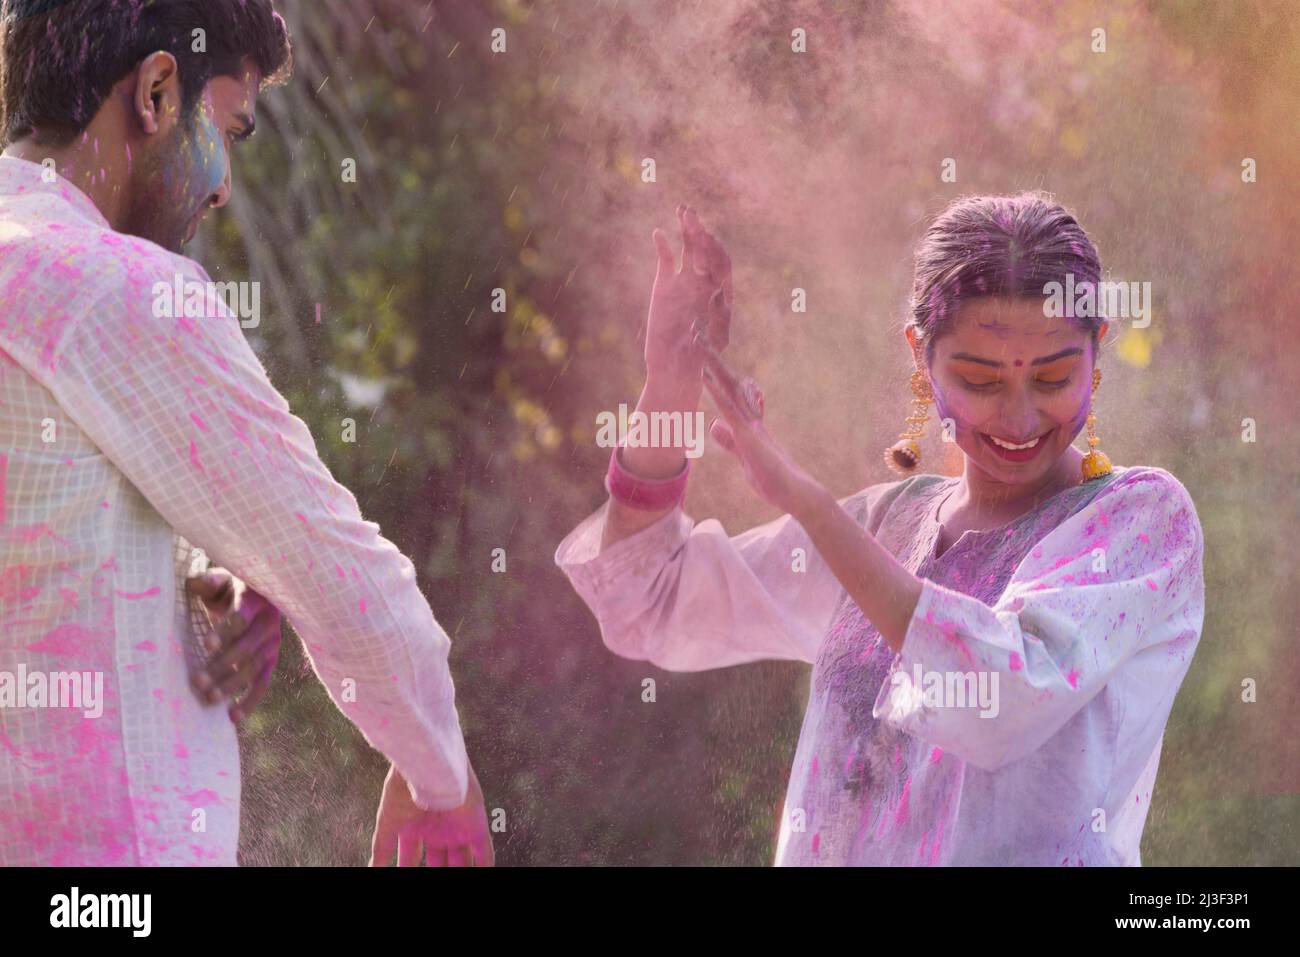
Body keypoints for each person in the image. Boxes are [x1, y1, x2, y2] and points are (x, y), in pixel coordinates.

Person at [555, 195, 1204, 865]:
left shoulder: (1140, 523)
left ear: (1097, 352)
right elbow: (646, 599)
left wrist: (810, 506)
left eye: (1055, 376)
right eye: (979, 377)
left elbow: (1002, 692)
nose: (1018, 417)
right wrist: (670, 378)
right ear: (921, 358)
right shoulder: (889, 527)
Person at [0, 0, 490, 866]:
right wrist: (441, 778)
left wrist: (190, 574)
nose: (223, 182)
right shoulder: (121, 290)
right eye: (227, 128)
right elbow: (352, 589)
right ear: (155, 91)